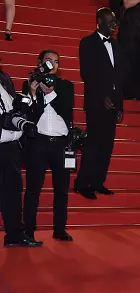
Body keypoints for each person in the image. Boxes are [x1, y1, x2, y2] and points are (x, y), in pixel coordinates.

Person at [23, 50, 74, 242]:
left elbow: (65, 110)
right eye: (48, 61)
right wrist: (34, 93)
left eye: (57, 62)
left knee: (61, 189)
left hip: (61, 144)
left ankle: (59, 229)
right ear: (39, 63)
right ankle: (28, 231)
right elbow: (30, 114)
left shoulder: (66, 86)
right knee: (33, 188)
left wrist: (51, 94)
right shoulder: (30, 84)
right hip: (39, 143)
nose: (53, 65)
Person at [74, 8, 123, 200]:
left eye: (115, 22)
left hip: (113, 104)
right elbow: (87, 73)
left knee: (107, 146)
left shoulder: (117, 45)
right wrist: (102, 96)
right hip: (96, 102)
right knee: (93, 144)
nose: (114, 25)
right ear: (99, 22)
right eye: (110, 21)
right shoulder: (87, 43)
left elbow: (120, 77)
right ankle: (82, 183)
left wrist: (120, 105)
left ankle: (97, 182)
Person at [0, 64, 43, 247]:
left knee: (12, 192)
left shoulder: (3, 78)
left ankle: (14, 234)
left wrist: (29, 94)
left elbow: (14, 107)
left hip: (10, 147)